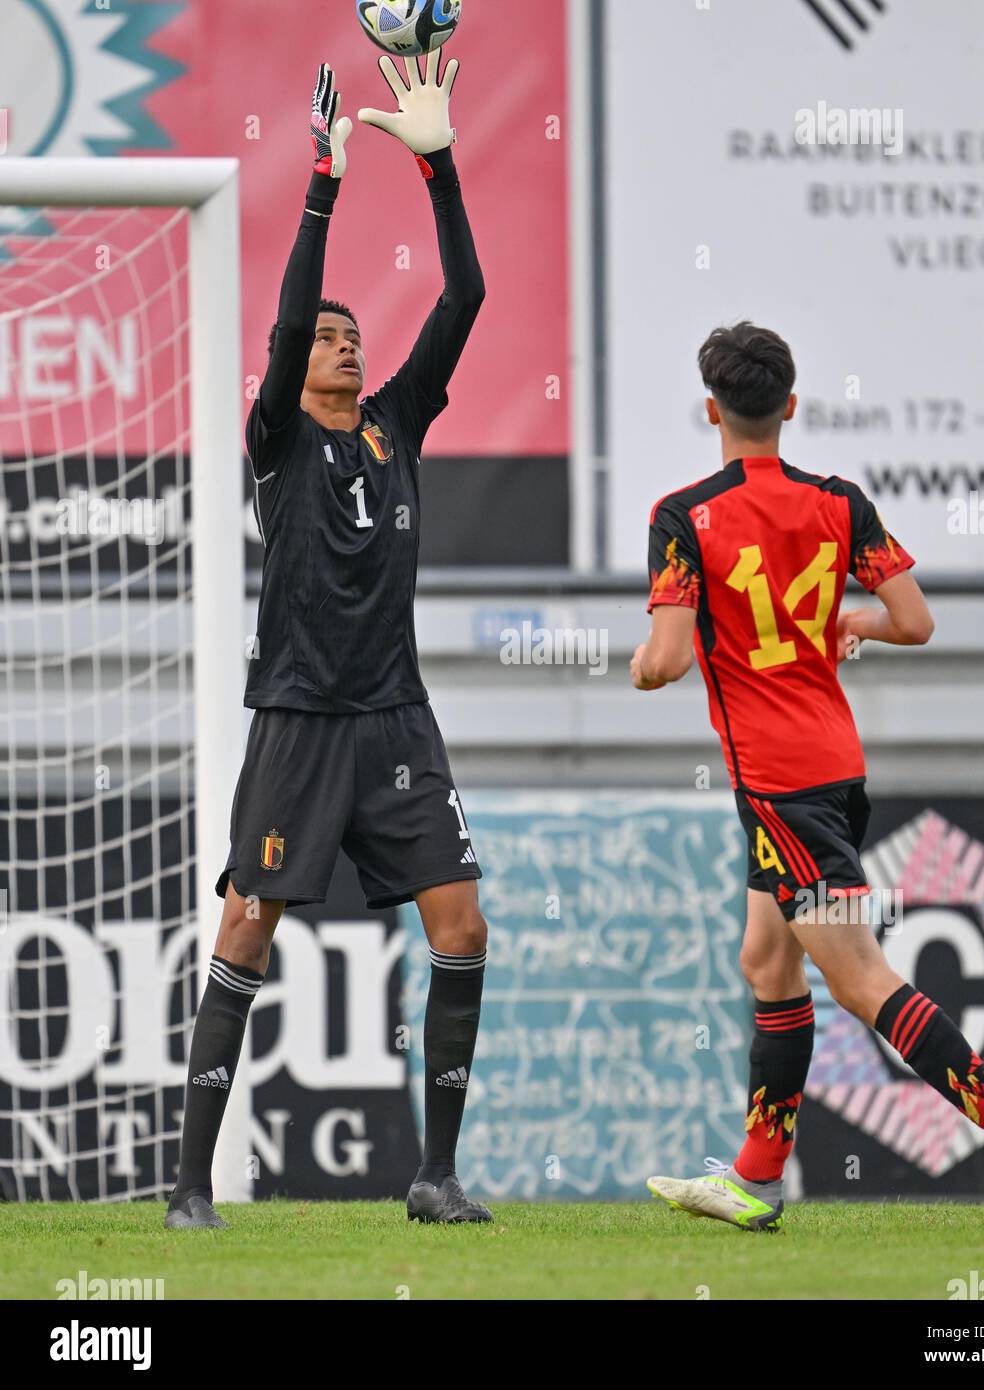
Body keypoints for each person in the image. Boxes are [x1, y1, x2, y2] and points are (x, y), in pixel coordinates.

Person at [635, 321, 984, 1231]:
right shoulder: (839, 504)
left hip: (776, 785)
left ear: (711, 410)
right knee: (766, 959)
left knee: (857, 976)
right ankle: (756, 1177)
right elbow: (913, 620)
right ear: (789, 407)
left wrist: (643, 662)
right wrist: (856, 626)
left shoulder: (684, 515)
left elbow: (667, 659)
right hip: (834, 771)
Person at [166, 54, 490, 1229]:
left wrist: (438, 162)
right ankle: (193, 1186)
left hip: (396, 721)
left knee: (461, 927)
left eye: (355, 337)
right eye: (328, 340)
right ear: (291, 367)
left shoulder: (396, 424)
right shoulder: (274, 442)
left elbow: (465, 300)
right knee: (245, 929)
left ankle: (435, 1173)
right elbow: (291, 313)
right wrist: (323, 180)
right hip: (298, 721)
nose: (345, 347)